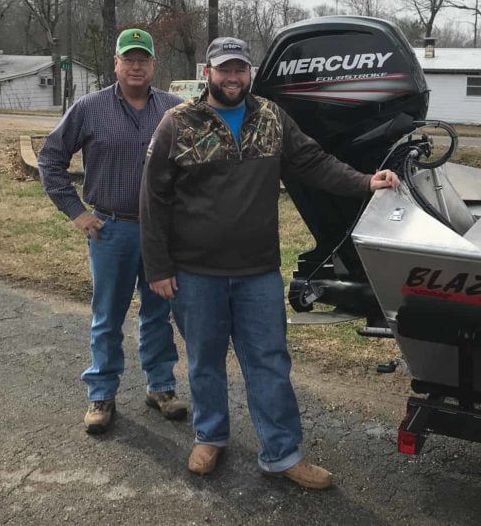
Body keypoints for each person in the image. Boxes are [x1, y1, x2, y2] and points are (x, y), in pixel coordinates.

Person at [140, 36, 399, 489]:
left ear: (250, 73)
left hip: (257, 271)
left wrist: (365, 182)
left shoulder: (271, 118)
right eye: (225, 69)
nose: (233, 77)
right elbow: (154, 199)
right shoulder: (178, 123)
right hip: (195, 271)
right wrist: (158, 268)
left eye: (240, 69)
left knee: (269, 362)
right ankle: (210, 436)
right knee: (204, 360)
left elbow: (313, 163)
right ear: (208, 73)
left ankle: (281, 453)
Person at [38, 28, 187, 434]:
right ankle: (101, 394)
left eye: (143, 59)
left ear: (154, 65)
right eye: (129, 59)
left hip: (161, 233)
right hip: (111, 229)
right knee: (108, 316)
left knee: (160, 312)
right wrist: (76, 212)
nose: (136, 66)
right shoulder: (89, 108)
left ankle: (161, 388)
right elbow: (49, 159)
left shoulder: (176, 110)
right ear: (116, 64)